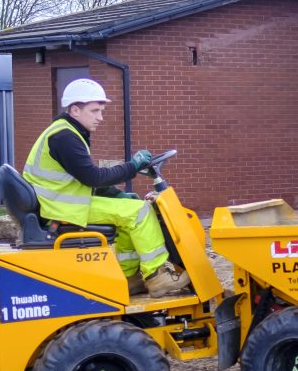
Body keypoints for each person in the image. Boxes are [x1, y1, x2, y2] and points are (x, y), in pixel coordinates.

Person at [22, 78, 191, 297]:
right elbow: (93, 177)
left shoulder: (65, 132)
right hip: (60, 208)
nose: (100, 117)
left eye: (101, 111)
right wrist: (132, 166)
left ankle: (130, 278)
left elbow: (80, 178)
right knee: (141, 211)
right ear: (74, 110)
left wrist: (115, 194)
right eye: (94, 111)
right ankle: (157, 277)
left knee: (128, 208)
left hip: (61, 201)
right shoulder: (64, 137)